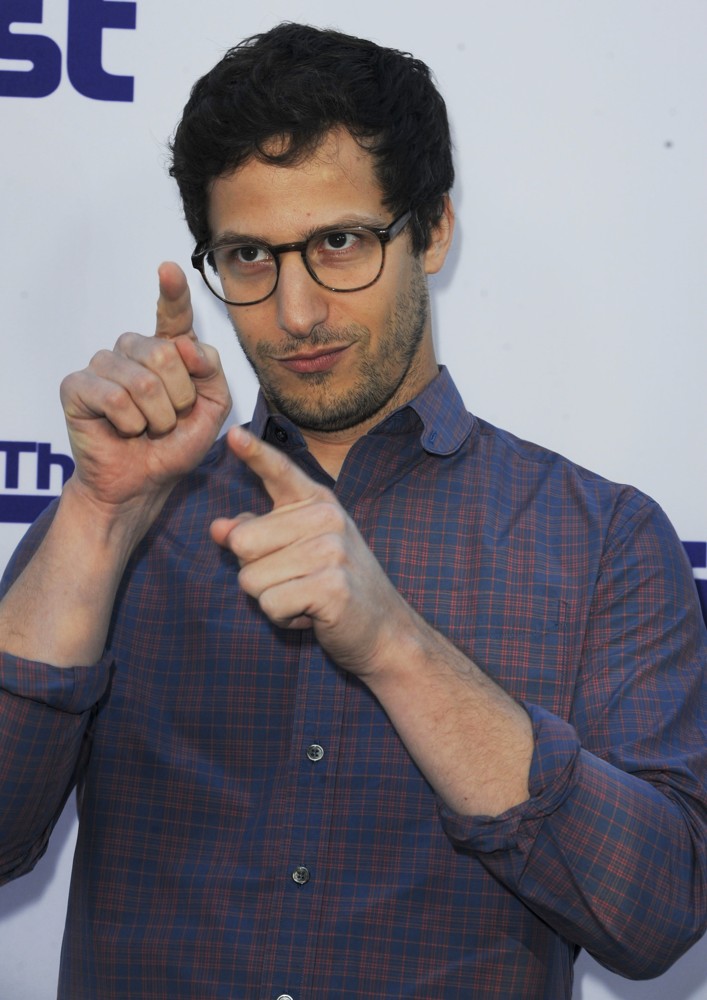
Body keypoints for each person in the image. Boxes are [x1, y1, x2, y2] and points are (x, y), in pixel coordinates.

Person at [0, 21, 705, 1000]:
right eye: (248, 255)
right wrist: (97, 511)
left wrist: (396, 646)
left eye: (339, 243)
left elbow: (654, 913)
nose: (293, 312)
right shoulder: (126, 511)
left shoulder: (600, 539)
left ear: (432, 229)